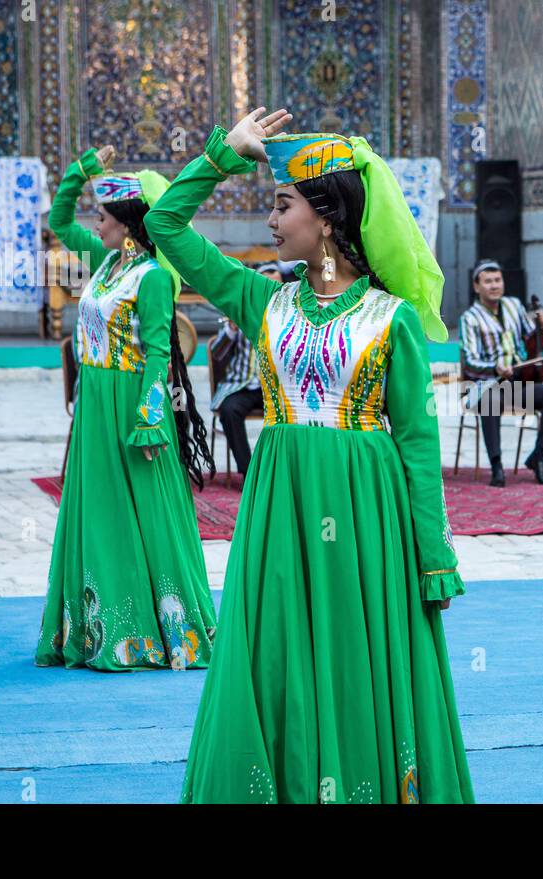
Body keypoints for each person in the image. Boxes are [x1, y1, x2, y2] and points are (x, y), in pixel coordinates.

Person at [147, 106, 472, 803]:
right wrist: (222, 156)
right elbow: (163, 225)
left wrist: (433, 555)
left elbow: (416, 440)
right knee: (278, 651)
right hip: (281, 509)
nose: (270, 220)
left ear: (326, 218)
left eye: (281, 203)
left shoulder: (393, 319)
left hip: (366, 514)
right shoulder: (262, 301)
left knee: (358, 657)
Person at [35, 144, 217, 671]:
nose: (97, 223)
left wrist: (150, 414)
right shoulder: (105, 261)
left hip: (129, 405)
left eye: (104, 216)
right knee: (96, 510)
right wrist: (80, 172)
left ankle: (152, 632)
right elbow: (60, 220)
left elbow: (160, 351)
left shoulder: (152, 278)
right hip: (95, 399)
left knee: (144, 512)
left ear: (126, 225)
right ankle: (97, 628)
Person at [458, 259, 543, 486]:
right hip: (485, 385)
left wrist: (542, 326)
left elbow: (531, 337)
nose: (494, 285)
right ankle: (497, 465)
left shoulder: (514, 306)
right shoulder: (469, 318)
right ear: (477, 287)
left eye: (498, 280)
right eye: (488, 281)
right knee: (490, 399)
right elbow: (470, 362)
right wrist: (494, 368)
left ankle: (538, 457)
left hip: (516, 384)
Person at [207, 260, 282, 478]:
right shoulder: (243, 314)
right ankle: (248, 472)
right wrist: (231, 328)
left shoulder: (287, 318)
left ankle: (278, 474)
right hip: (242, 386)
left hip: (273, 388)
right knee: (230, 411)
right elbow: (217, 352)